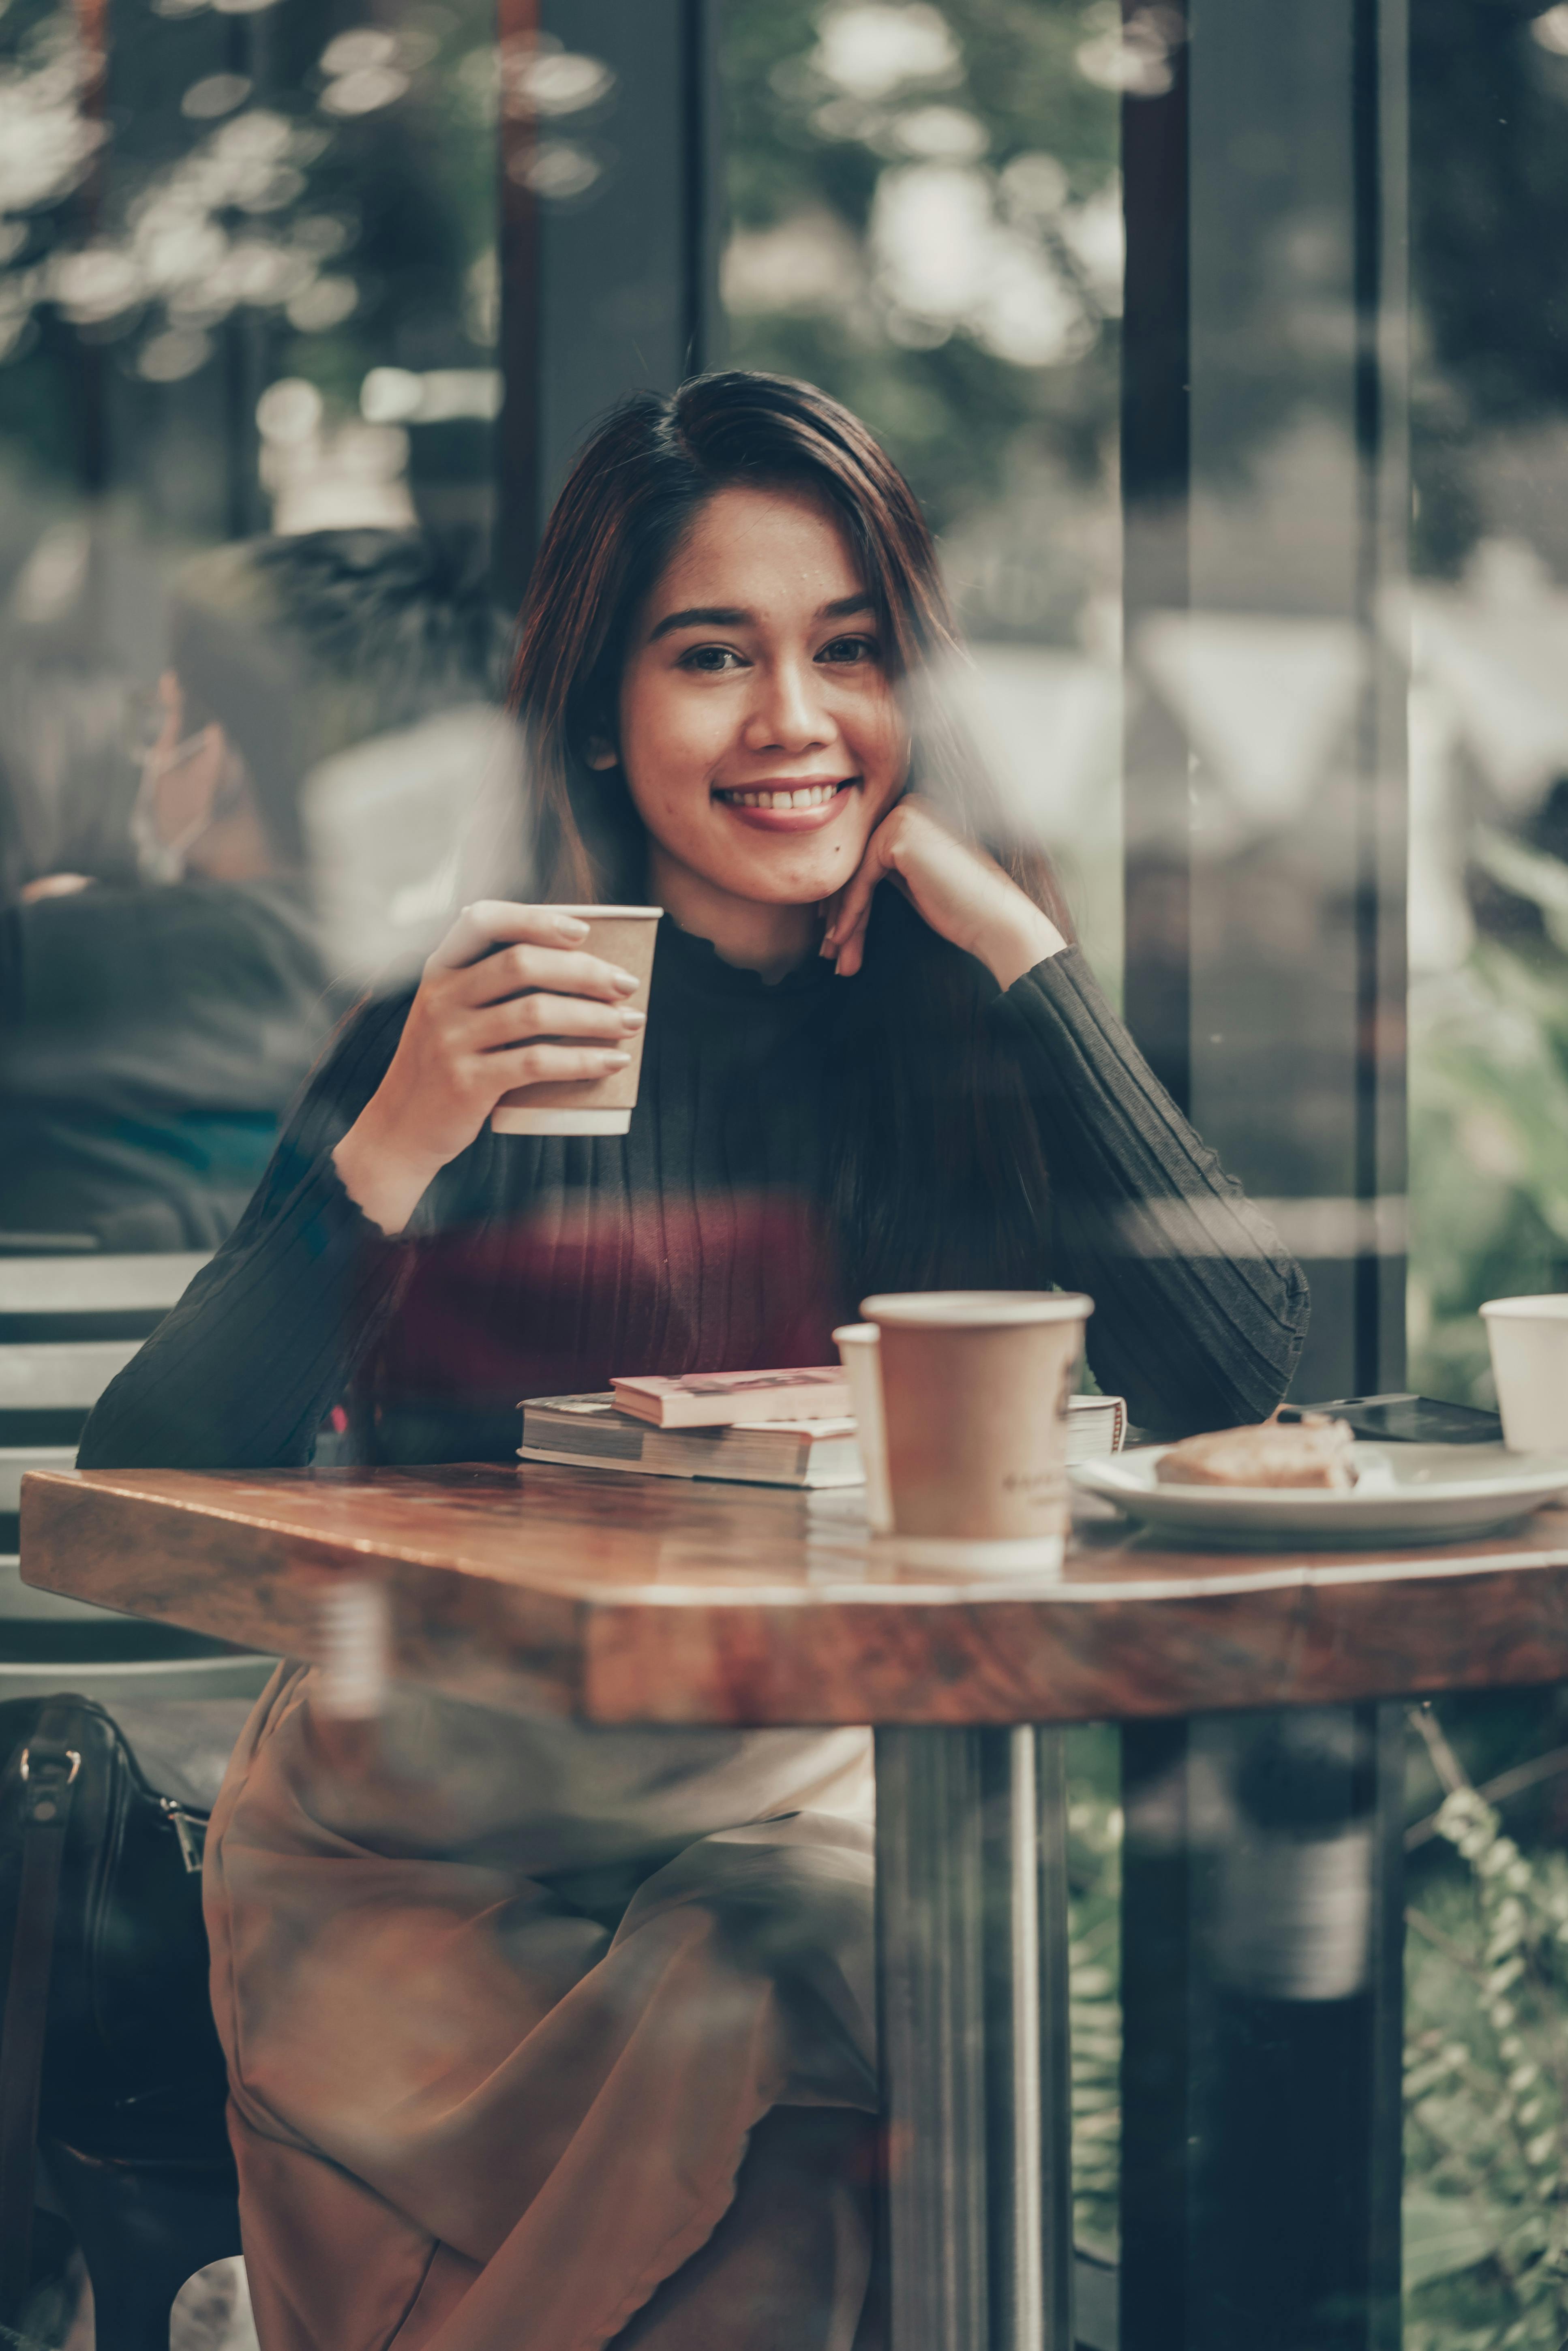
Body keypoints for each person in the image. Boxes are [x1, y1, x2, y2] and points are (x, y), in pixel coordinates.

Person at [79, 372, 1310, 2348]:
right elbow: (144, 1475)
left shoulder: (955, 1032)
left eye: (849, 652)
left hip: (791, 1831)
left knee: (826, 1967)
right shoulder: (478, 1020)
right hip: (421, 1879)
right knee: (834, 1998)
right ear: (598, 705)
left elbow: (1250, 1395)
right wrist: (394, 1139)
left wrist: (1024, 962)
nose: (792, 724)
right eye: (710, 655)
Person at [0, 528, 507, 1252]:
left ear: (218, 757)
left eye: (160, 723)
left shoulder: (41, 962)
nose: (144, 759)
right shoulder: (483, 985)